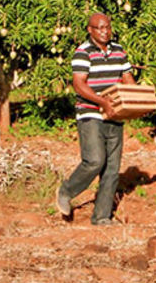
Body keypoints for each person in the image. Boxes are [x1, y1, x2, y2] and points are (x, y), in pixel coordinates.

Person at [55, 12, 135, 225]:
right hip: (90, 113)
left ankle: (101, 217)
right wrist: (102, 101)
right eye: (99, 28)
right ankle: (66, 190)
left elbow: (127, 79)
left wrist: (137, 99)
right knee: (95, 160)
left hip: (114, 114)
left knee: (111, 168)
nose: (105, 31)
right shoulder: (83, 53)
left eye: (107, 27)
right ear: (90, 30)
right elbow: (79, 84)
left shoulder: (118, 51)